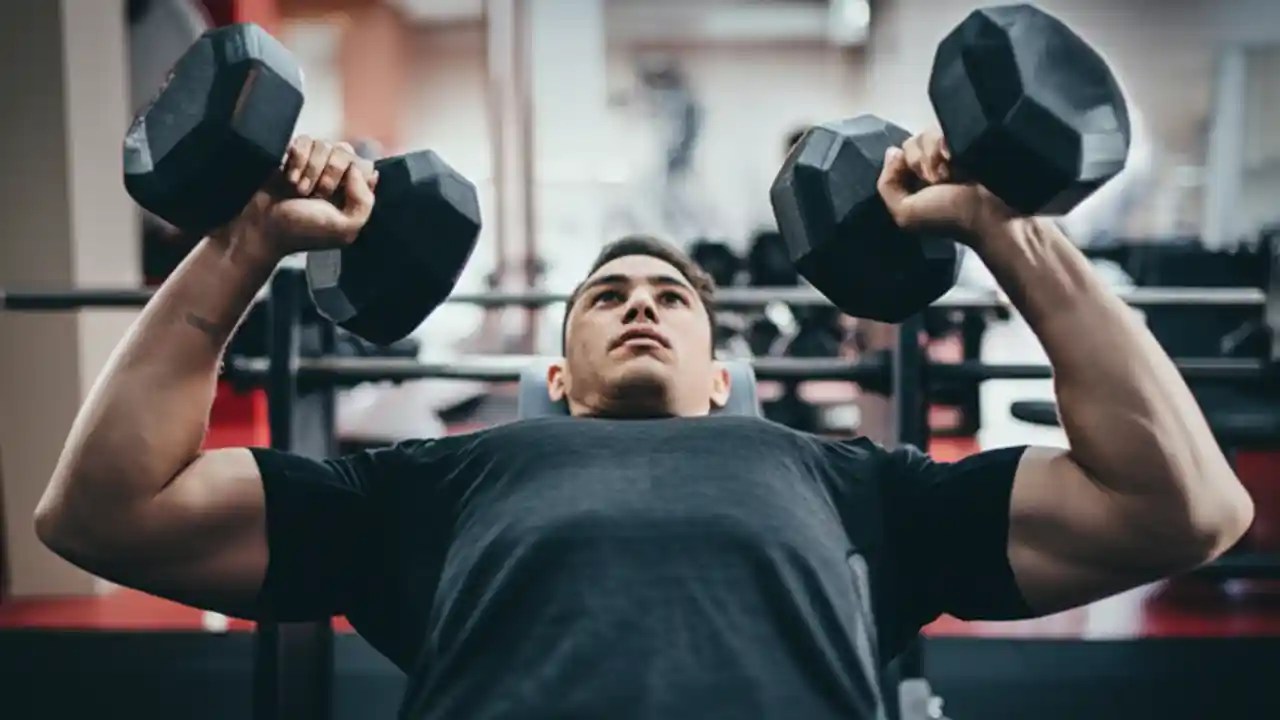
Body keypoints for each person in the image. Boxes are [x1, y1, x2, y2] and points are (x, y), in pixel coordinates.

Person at [35, 135, 1253, 719]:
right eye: (603, 298)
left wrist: (1002, 227)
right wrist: (246, 242)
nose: (638, 306)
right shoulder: (429, 483)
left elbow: (1187, 509)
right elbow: (100, 513)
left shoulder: (854, 484)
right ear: (553, 377)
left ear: (723, 378)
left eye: (670, 300)